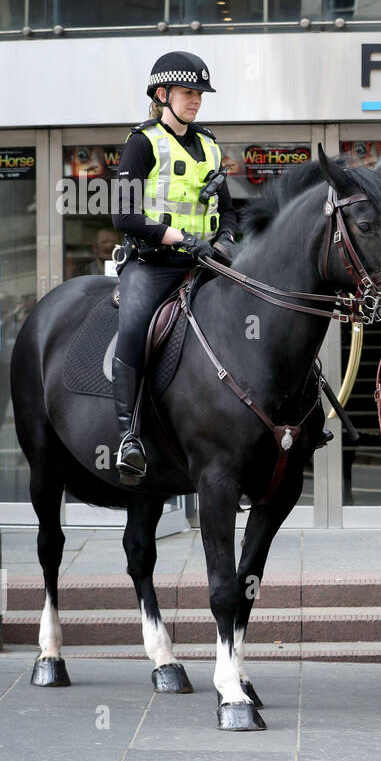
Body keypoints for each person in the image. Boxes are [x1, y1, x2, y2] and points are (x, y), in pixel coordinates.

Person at [110, 51, 237, 479]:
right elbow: (124, 216)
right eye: (188, 92)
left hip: (205, 263)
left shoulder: (210, 144)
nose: (196, 99)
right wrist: (182, 239)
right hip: (154, 264)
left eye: (200, 92)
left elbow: (229, 209)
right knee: (133, 329)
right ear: (162, 94)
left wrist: (226, 239)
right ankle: (129, 435)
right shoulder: (141, 143)